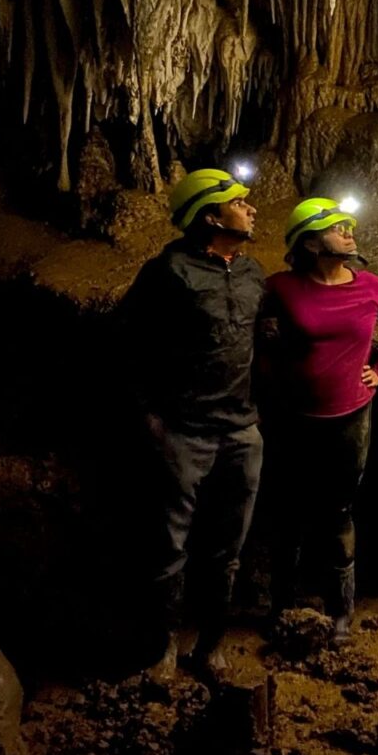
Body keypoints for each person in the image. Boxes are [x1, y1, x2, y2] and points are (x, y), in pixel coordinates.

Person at [119, 167, 265, 678]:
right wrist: (151, 419)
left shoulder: (252, 274)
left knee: (227, 548)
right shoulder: (168, 273)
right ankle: (162, 645)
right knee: (169, 547)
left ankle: (210, 644)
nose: (250, 208)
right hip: (184, 431)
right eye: (238, 202)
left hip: (241, 432)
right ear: (210, 215)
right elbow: (126, 344)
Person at [259, 197, 378, 644]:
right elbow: (247, 326)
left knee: (337, 512)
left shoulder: (368, 285)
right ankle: (281, 604)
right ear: (310, 243)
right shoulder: (282, 287)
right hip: (294, 418)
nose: (349, 231)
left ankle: (341, 611)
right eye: (336, 227)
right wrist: (269, 369)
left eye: (348, 225)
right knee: (288, 511)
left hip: (350, 417)